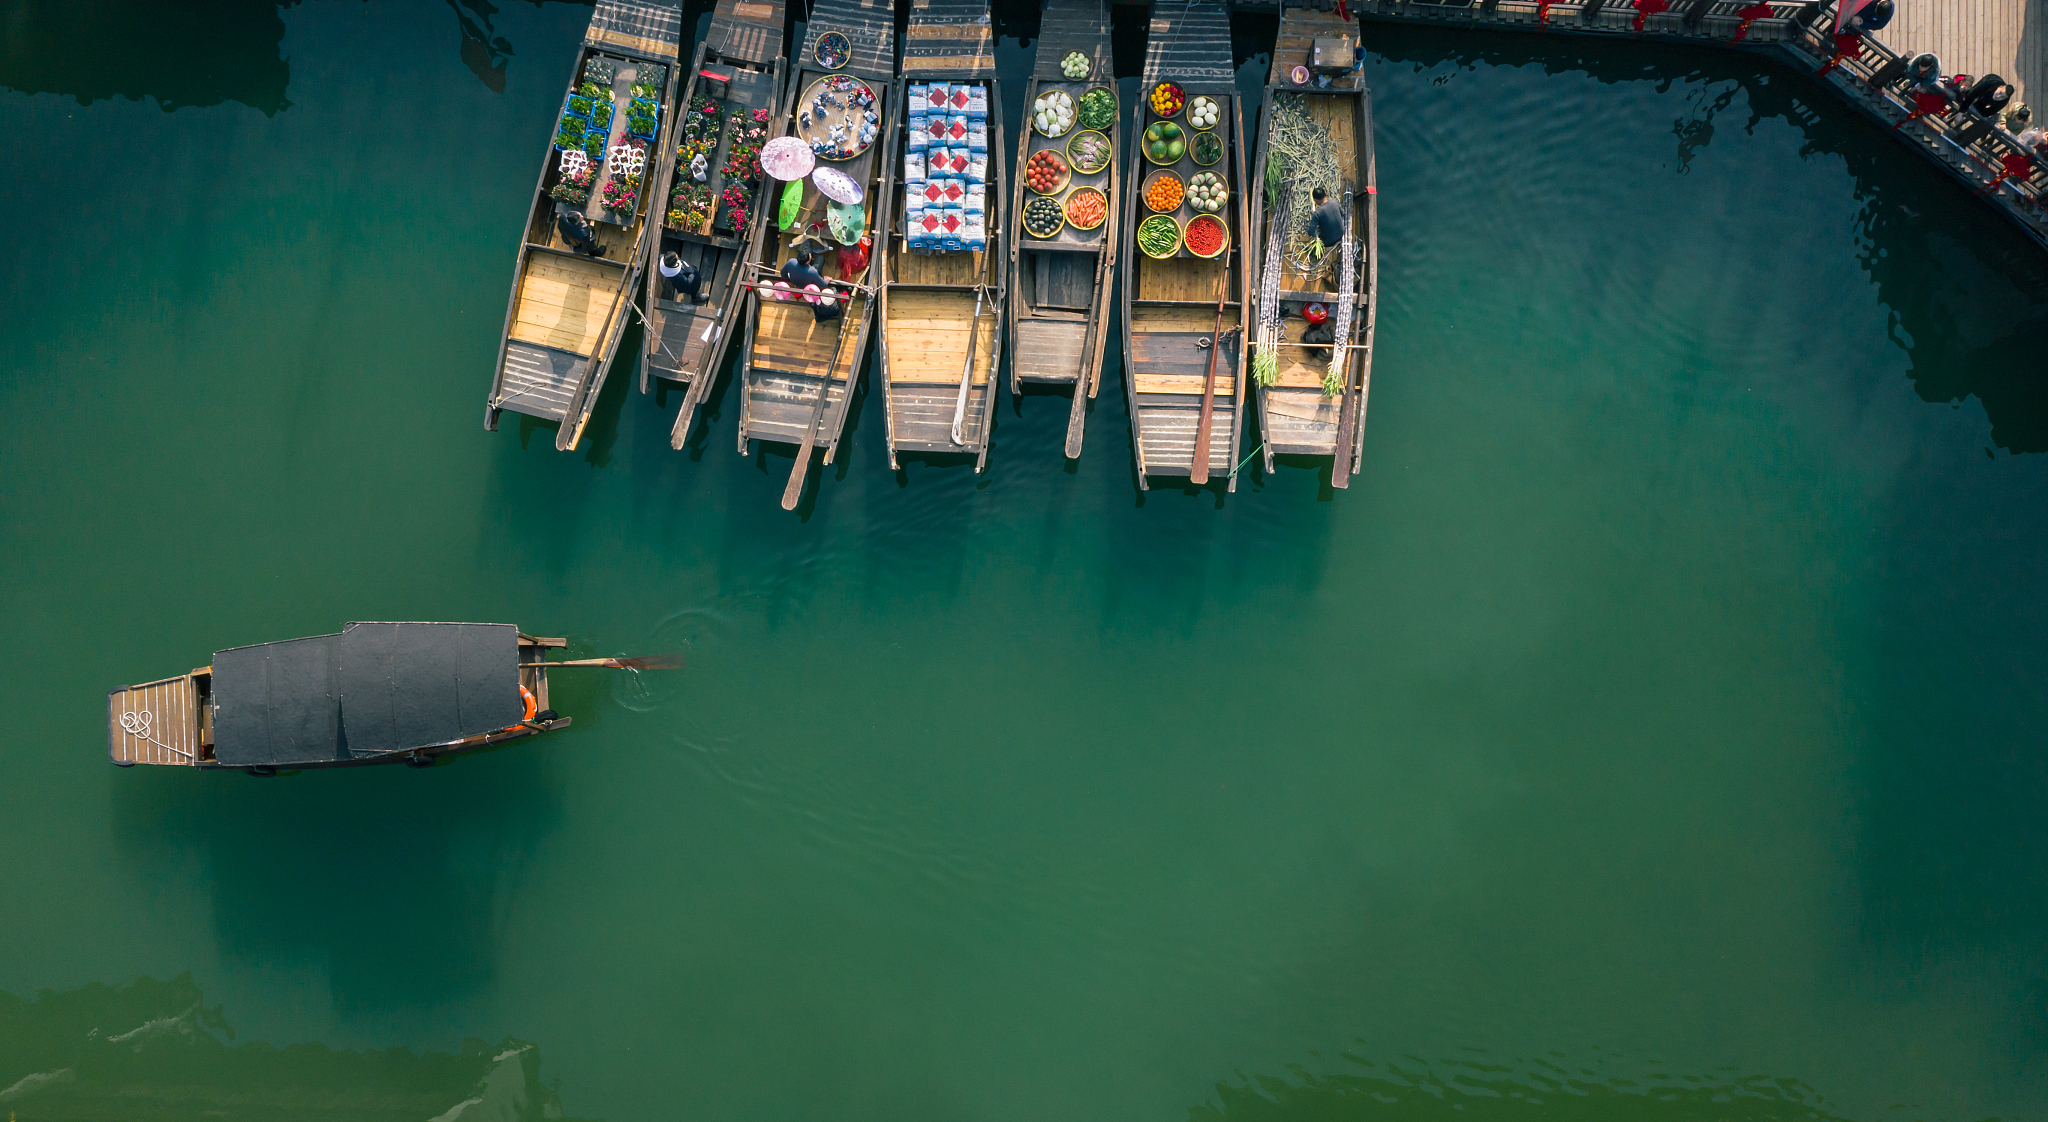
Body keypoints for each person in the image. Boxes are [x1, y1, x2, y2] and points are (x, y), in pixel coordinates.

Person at [780, 253, 841, 323]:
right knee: (820, 258)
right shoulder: (812, 272)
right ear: (807, 262)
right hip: (809, 286)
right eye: (810, 256)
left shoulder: (791, 262)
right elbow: (823, 284)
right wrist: (827, 280)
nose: (810, 254)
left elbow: (783, 274)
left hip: (798, 283)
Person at [1309, 187, 1343, 260]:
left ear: (1315, 200)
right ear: (1326, 193)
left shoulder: (1317, 213)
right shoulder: (1335, 202)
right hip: (1341, 235)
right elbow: (1342, 213)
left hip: (1328, 242)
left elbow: (1311, 232)